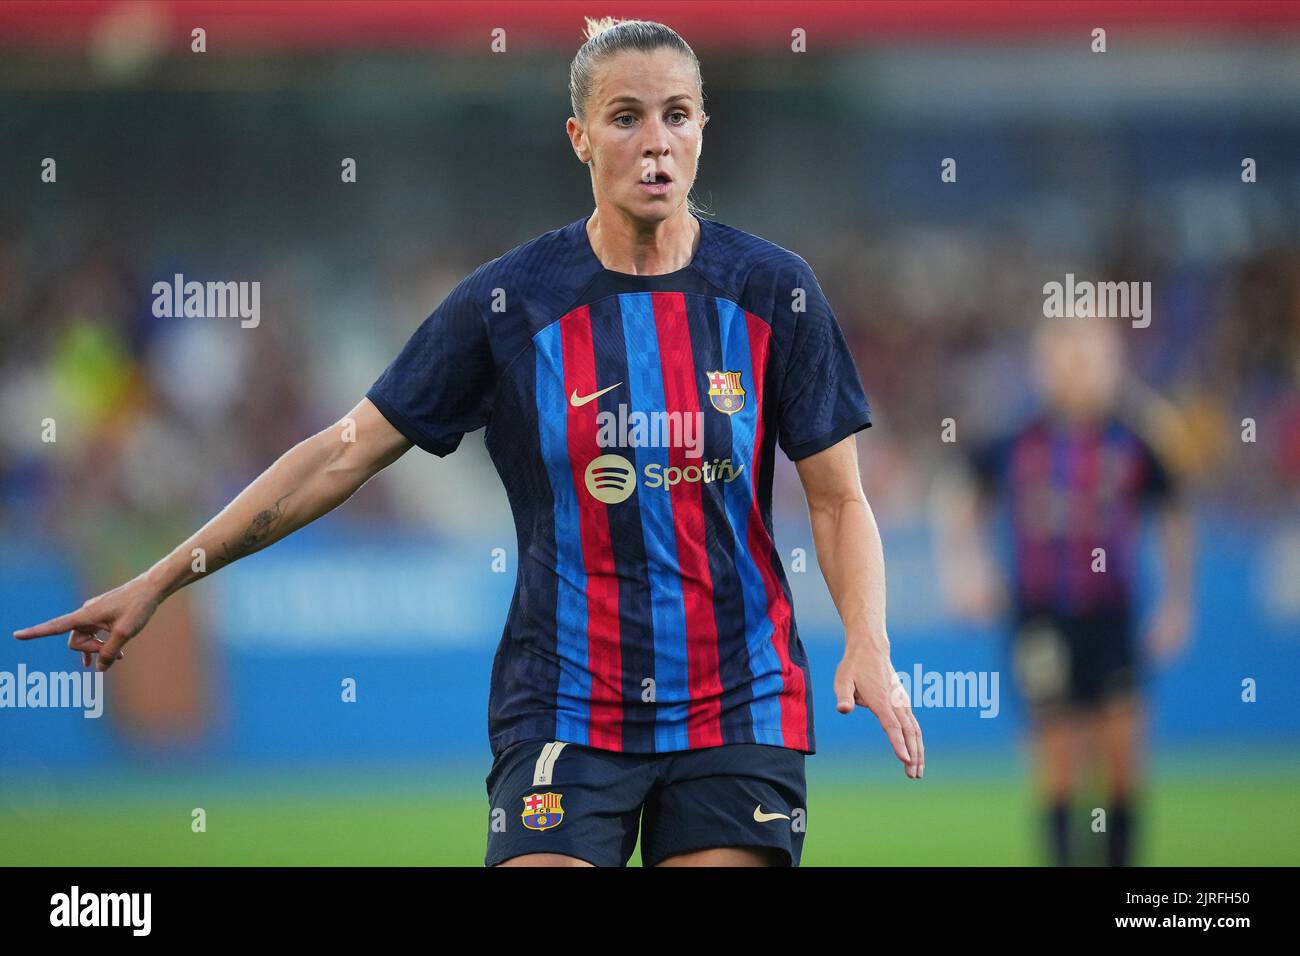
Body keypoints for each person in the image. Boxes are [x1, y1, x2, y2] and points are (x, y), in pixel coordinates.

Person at [13, 16, 922, 867]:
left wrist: (868, 643)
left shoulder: (775, 292)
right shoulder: (508, 304)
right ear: (579, 138)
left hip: (739, 697)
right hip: (564, 701)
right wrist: (165, 575)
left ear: (701, 130)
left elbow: (839, 499)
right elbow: (341, 454)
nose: (655, 141)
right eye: (626, 117)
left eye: (677, 115)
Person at [936, 315, 1193, 865]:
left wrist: (1176, 602)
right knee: (1057, 760)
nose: (1076, 369)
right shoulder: (1016, 438)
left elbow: (1175, 509)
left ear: (1112, 364)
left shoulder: (1134, 437)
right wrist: (965, 570)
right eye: (1064, 356)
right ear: (1042, 365)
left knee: (1123, 758)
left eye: (1090, 356)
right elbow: (958, 495)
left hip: (1112, 614)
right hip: (1040, 617)